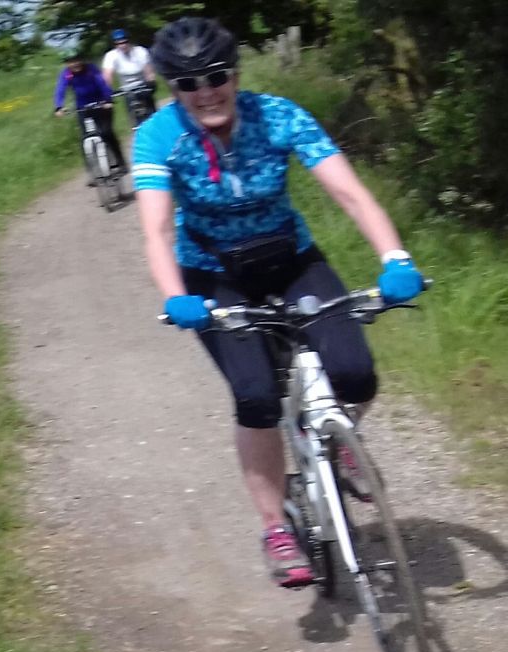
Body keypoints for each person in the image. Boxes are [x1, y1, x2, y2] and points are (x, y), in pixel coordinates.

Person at [132, 16, 426, 588]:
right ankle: (275, 527)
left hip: (290, 260)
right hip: (212, 276)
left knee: (354, 374)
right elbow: (158, 231)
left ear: (236, 73)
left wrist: (396, 259)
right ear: (172, 89)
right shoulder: (159, 136)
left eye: (216, 76)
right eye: (188, 83)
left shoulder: (281, 115)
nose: (205, 91)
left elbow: (349, 192)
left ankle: (340, 446)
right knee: (257, 396)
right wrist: (175, 297)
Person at [54, 51, 126, 174]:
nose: (75, 64)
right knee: (84, 137)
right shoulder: (67, 74)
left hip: (102, 104)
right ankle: (92, 172)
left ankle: (121, 162)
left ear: (81, 60)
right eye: (71, 61)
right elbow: (61, 89)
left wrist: (108, 100)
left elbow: (102, 83)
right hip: (82, 107)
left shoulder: (90, 69)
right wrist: (58, 106)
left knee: (107, 133)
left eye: (77, 60)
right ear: (67, 63)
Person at [102, 28, 157, 127]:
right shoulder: (111, 55)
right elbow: (107, 75)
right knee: (134, 118)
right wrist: (107, 92)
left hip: (143, 85)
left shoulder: (140, 51)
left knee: (152, 115)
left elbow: (148, 70)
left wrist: (151, 81)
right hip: (127, 89)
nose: (123, 45)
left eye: (125, 42)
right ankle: (137, 129)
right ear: (115, 45)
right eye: (119, 43)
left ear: (129, 41)